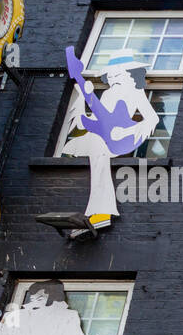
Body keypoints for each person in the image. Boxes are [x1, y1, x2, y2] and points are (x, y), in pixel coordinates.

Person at [60, 52, 159, 229]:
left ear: (129, 73)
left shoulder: (136, 93)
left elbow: (153, 119)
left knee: (98, 151)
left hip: (125, 139)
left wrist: (128, 131)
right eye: (110, 76)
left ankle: (103, 212)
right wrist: (84, 98)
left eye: (117, 75)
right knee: (80, 147)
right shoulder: (107, 94)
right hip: (105, 139)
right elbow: (100, 121)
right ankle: (97, 211)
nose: (113, 79)